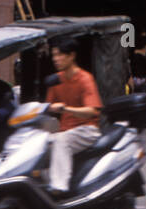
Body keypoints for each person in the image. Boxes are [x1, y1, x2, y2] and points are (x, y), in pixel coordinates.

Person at [45, 38, 104, 198]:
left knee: (60, 141)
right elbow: (48, 107)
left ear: (71, 56)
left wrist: (65, 108)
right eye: (53, 55)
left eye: (59, 55)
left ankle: (59, 188)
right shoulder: (56, 80)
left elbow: (92, 111)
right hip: (66, 131)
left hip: (87, 130)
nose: (55, 59)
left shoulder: (85, 79)